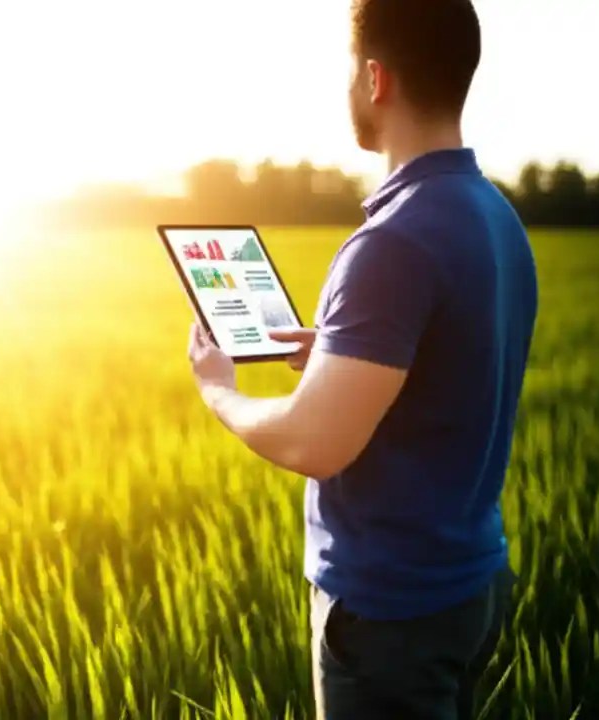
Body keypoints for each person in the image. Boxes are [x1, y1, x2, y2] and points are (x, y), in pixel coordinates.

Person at [184, 1, 538, 718]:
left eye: (351, 71)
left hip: (388, 613)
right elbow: (455, 363)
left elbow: (315, 442)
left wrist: (220, 392)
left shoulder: (392, 241)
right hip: (468, 584)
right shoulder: (494, 215)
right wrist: (345, 354)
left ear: (376, 79)